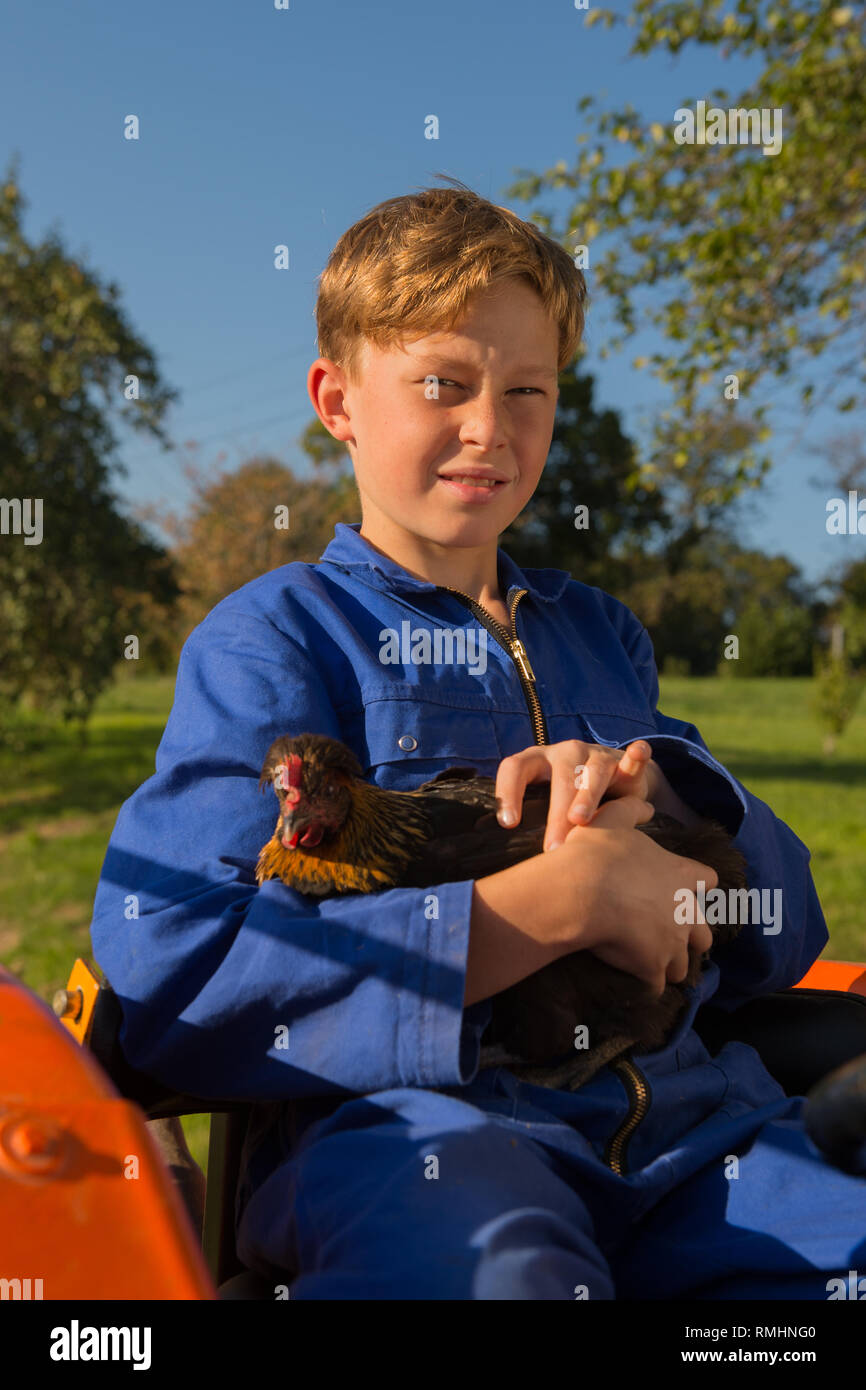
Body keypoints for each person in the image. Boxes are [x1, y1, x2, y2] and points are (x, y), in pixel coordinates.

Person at [90, 180, 865, 1300]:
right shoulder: (278, 639)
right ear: (337, 399)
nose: (489, 430)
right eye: (443, 385)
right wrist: (553, 905)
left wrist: (671, 814)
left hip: (702, 1132)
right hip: (422, 1143)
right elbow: (175, 980)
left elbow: (783, 936)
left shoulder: (601, 637)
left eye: (527, 391)